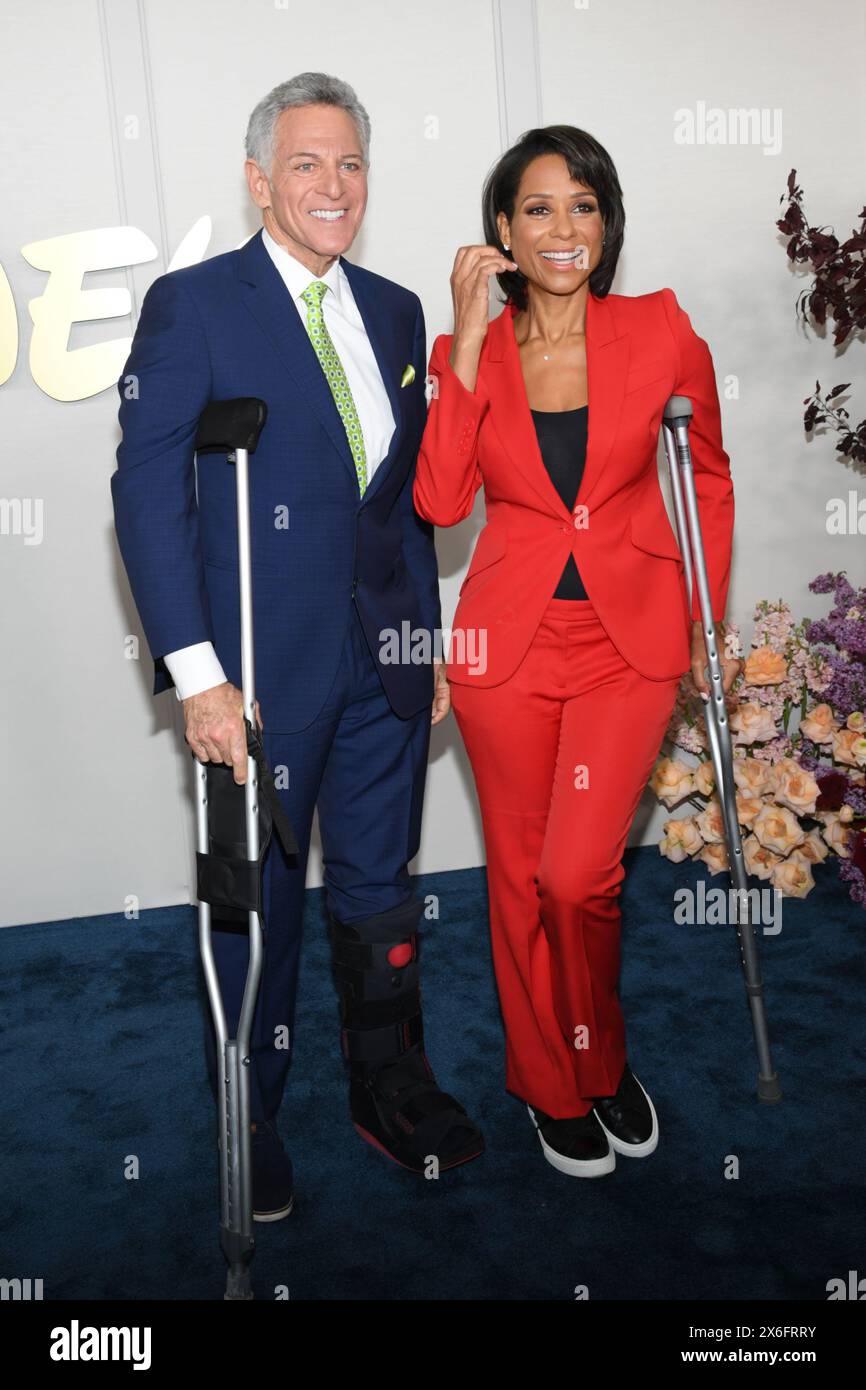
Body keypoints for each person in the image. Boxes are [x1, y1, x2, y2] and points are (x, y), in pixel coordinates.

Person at [111, 73, 484, 1220]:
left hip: (381, 669)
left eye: (351, 164)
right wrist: (197, 676)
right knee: (255, 899)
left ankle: (387, 1079)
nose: (333, 186)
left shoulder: (392, 309)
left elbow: (405, 505)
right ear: (259, 178)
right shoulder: (195, 303)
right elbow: (144, 493)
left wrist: (419, 642)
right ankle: (249, 1105)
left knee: (379, 891)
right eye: (308, 164)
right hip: (257, 681)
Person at [413, 124, 741, 1178]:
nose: (563, 228)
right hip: (504, 649)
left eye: (583, 205)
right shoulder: (465, 353)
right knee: (516, 876)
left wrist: (699, 624)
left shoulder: (659, 330)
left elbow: (708, 479)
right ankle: (546, 1082)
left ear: (606, 224)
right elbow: (439, 500)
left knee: (575, 876)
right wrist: (463, 344)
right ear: (500, 229)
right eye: (538, 208)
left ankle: (600, 1056)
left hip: (626, 640)